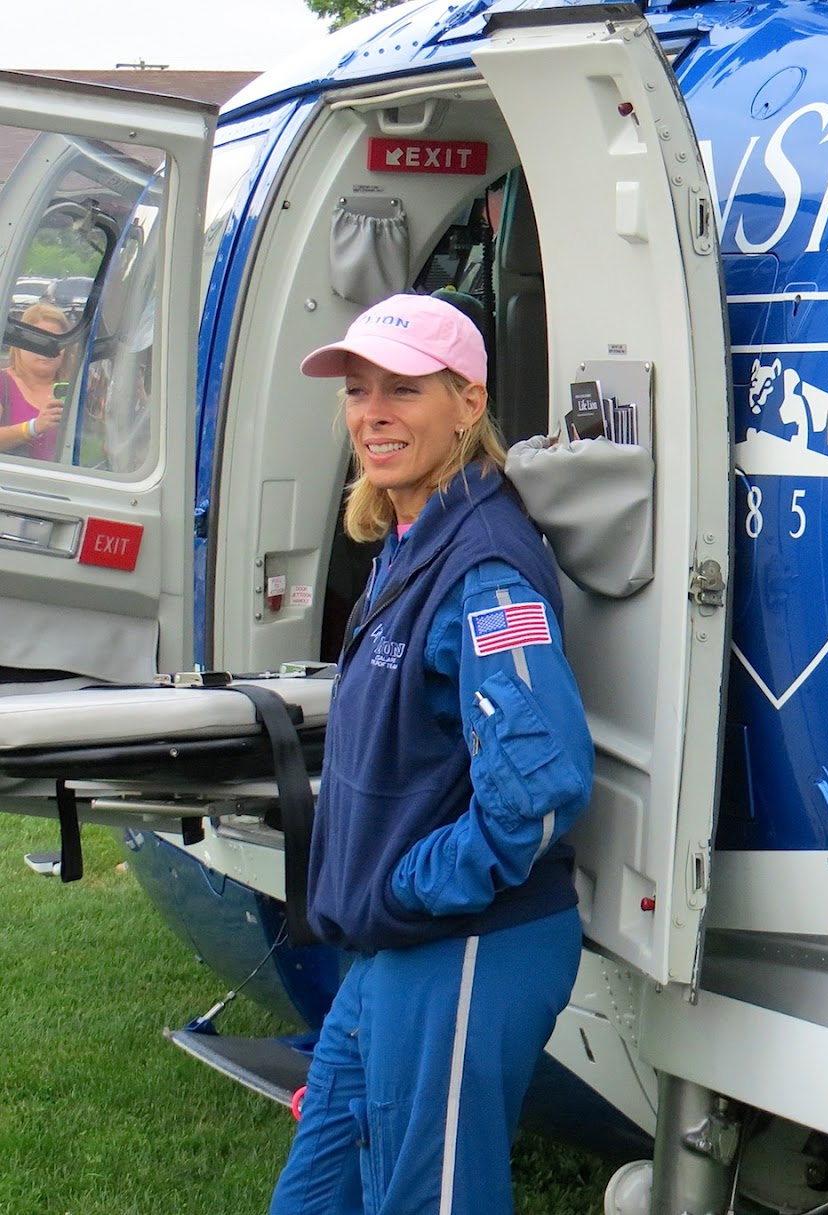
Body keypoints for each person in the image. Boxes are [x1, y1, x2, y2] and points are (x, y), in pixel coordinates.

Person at [271, 293, 594, 1215]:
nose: (372, 412)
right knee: (315, 1196)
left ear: (467, 402)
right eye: (359, 389)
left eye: (404, 390)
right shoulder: (413, 537)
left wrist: (411, 883)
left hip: (462, 943)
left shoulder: (482, 562)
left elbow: (541, 785)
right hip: (392, 947)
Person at [0, 300, 69, 460]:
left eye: (55, 343)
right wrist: (33, 427)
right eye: (36, 341)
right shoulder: (3, 383)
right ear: (19, 344)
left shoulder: (76, 389)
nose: (46, 350)